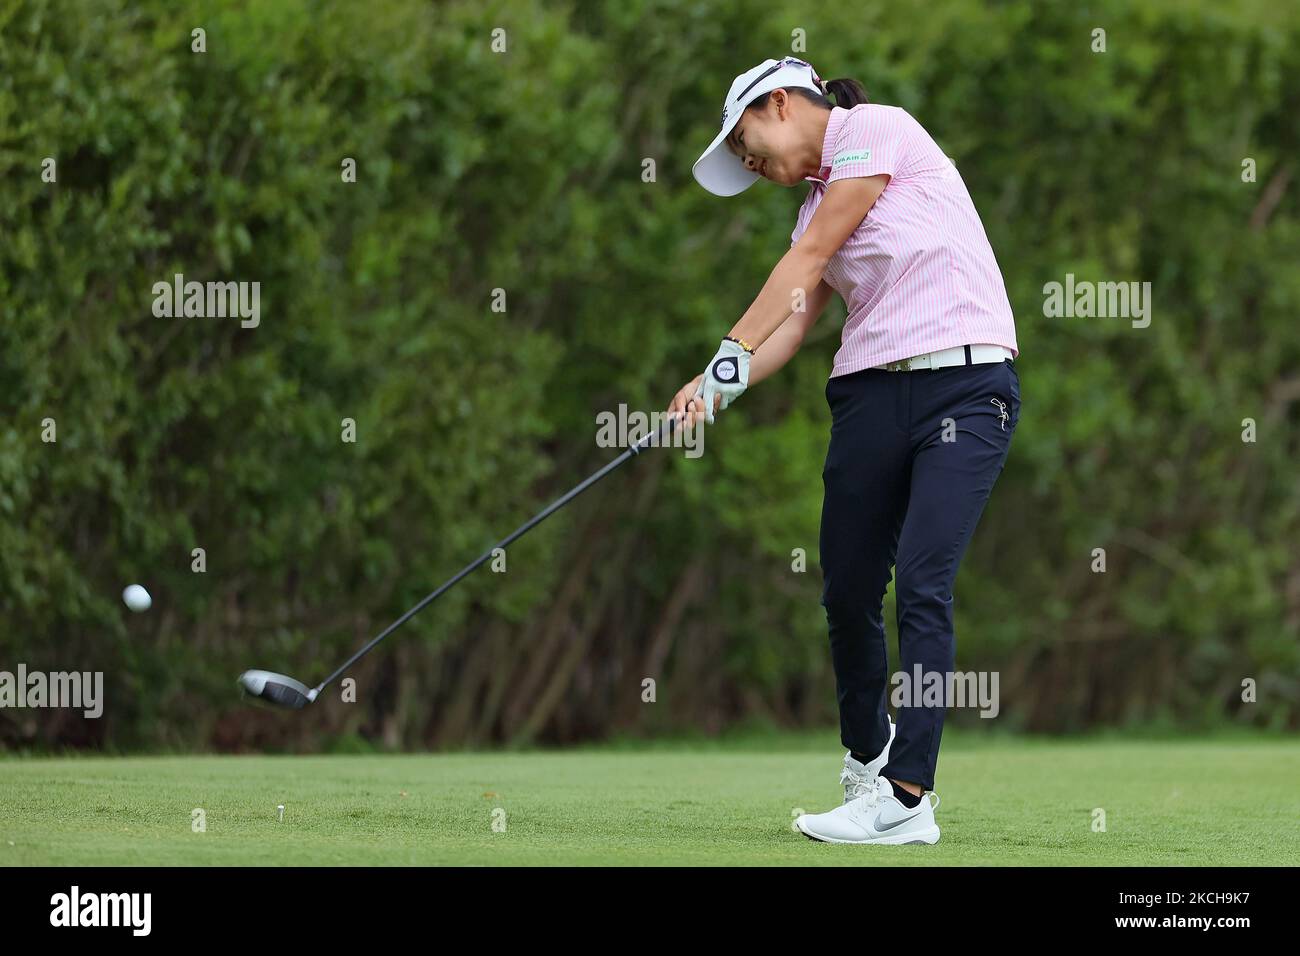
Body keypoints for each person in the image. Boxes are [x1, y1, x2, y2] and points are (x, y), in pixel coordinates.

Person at [668, 56, 1020, 845]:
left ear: (782, 102)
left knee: (925, 583)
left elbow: (811, 259)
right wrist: (712, 387)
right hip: (868, 396)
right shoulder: (811, 213)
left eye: (748, 145)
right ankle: (868, 762)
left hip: (966, 388)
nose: (751, 166)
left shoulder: (875, 131)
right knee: (848, 588)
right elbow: (794, 319)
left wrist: (725, 349)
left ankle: (906, 797)